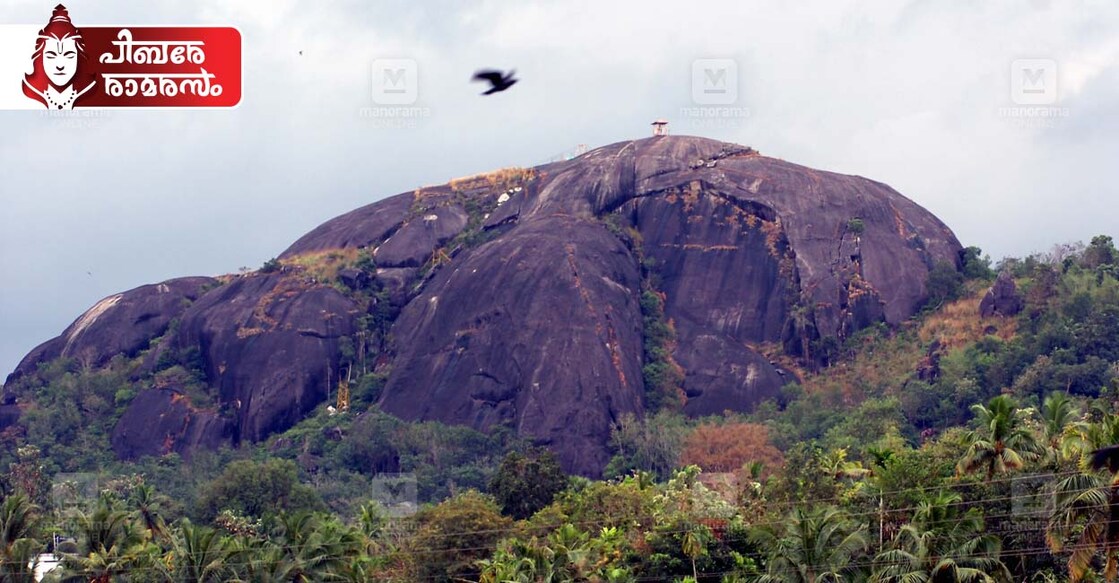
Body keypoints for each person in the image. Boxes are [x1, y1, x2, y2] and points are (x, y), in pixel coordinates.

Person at [22, 5, 96, 109]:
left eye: (69, 55)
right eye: (51, 56)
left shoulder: (89, 89)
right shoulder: (30, 90)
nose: (60, 65)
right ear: (40, 58)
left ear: (80, 58)